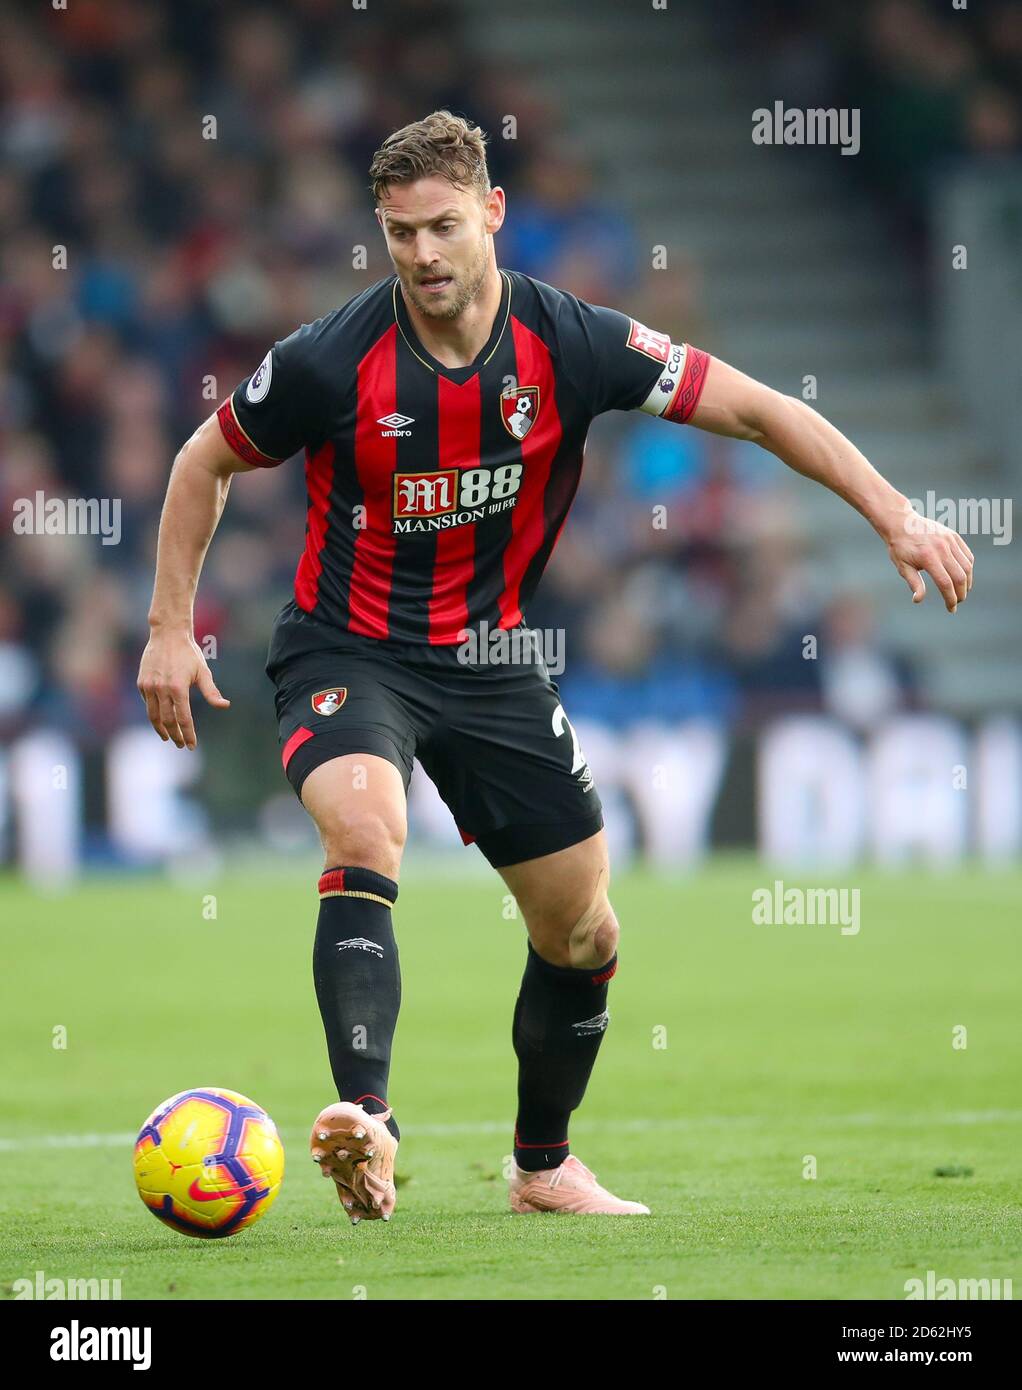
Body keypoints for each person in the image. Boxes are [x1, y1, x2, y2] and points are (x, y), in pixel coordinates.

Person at [137, 110, 974, 1224]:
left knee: (582, 931)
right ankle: (367, 1121)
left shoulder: (571, 342)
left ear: (491, 212)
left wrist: (893, 515)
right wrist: (165, 627)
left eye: (441, 227)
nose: (422, 256)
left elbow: (763, 412)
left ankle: (542, 1168)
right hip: (348, 647)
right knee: (361, 825)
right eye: (398, 236)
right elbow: (204, 460)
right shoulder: (330, 359)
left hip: (488, 663)